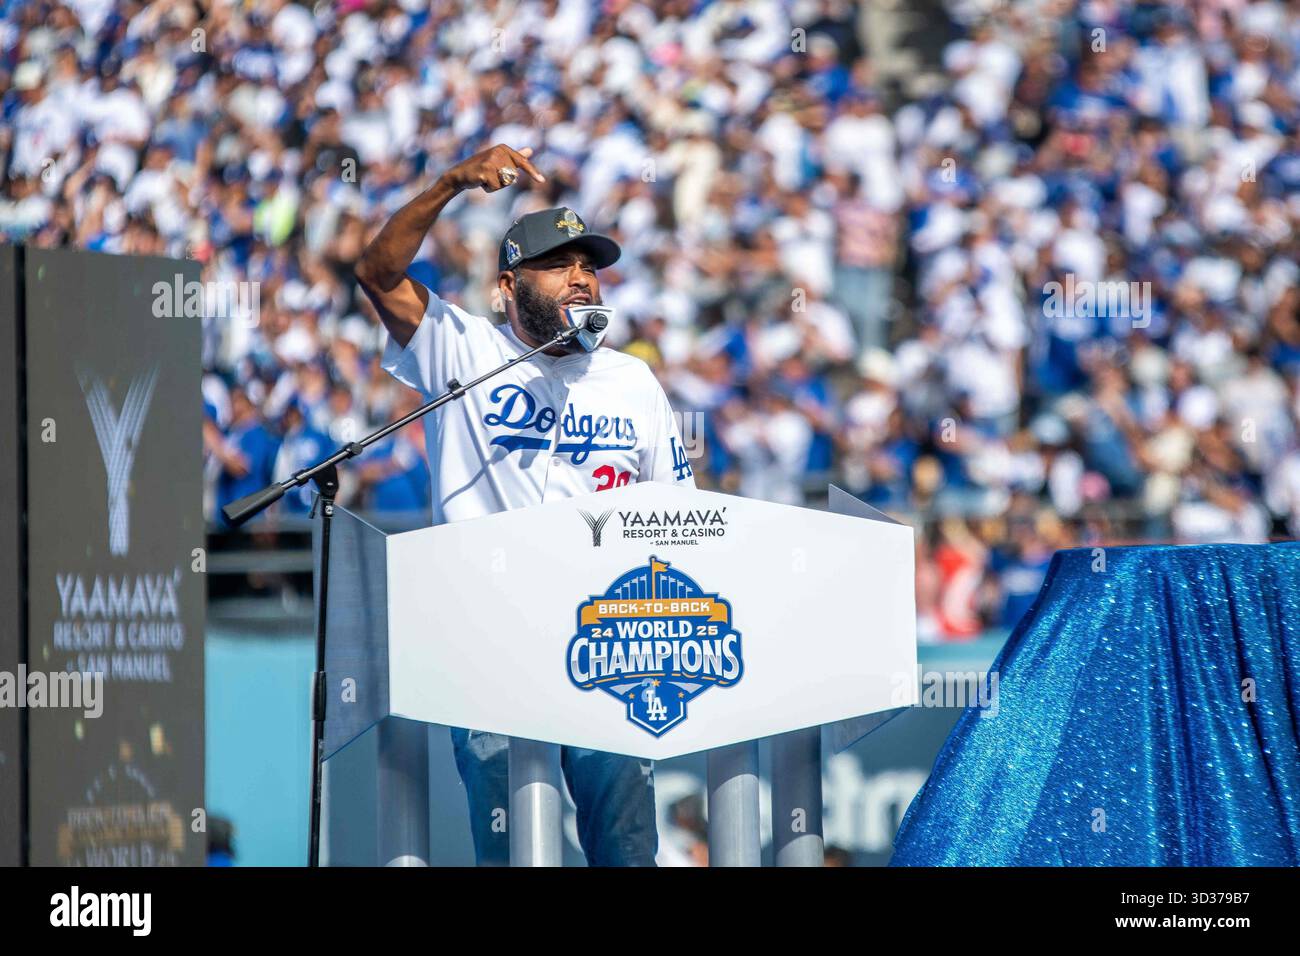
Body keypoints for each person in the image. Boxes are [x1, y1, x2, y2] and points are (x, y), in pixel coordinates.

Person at [355, 143, 696, 866]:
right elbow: (377, 272)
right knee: (513, 849)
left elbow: (678, 520)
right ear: (507, 285)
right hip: (489, 637)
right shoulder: (464, 350)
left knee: (626, 850)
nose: (581, 278)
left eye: (589, 266)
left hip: (609, 640)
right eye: (558, 264)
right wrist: (449, 183)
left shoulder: (633, 382)